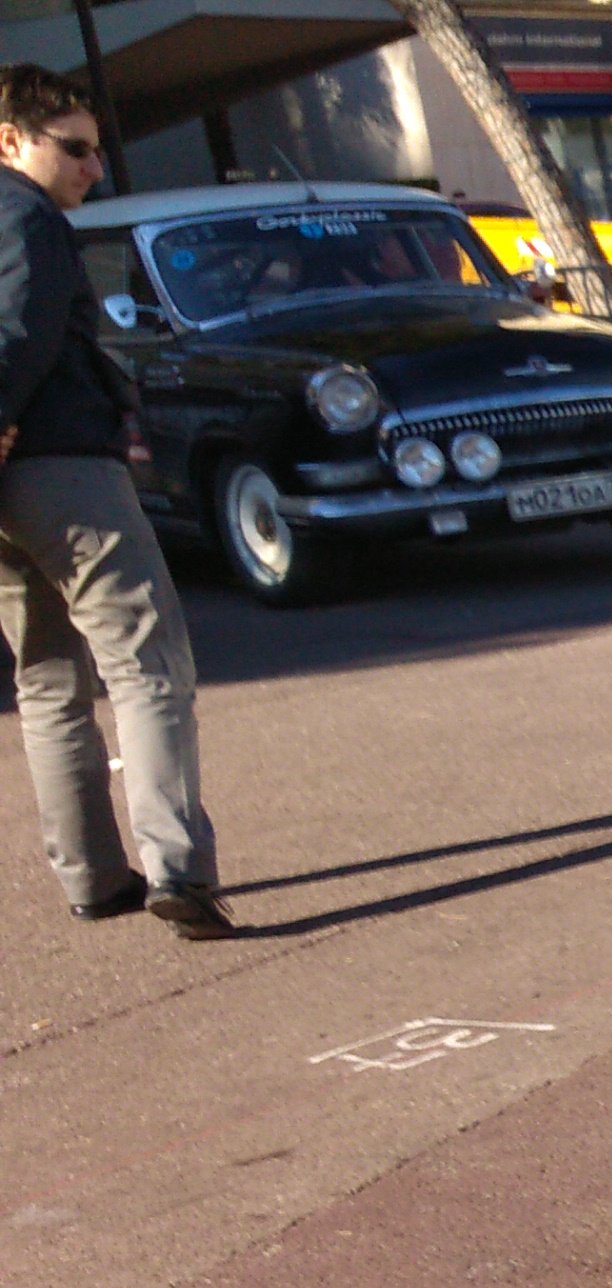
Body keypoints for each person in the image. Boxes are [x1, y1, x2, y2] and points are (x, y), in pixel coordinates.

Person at [0, 65, 223, 935]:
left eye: (98, 151)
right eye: (77, 150)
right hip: (63, 472)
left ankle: (94, 878)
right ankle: (179, 872)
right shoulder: (24, 215)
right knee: (149, 662)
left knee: (49, 677)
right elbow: (21, 327)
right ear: (11, 140)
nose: (95, 168)